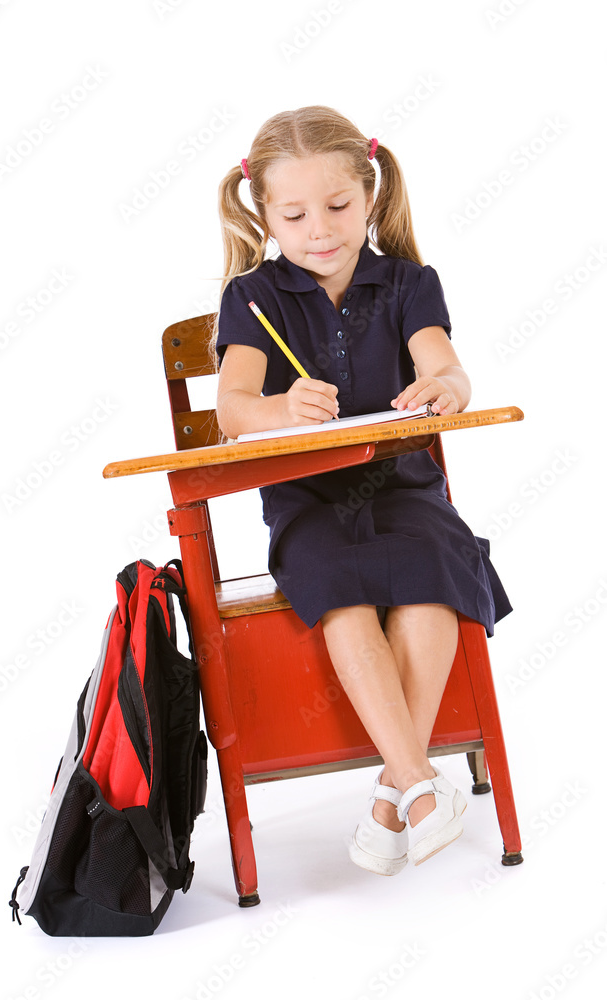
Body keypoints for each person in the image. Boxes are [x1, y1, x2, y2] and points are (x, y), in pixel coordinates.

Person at [212, 105, 512, 875]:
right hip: (305, 501)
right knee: (339, 589)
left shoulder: (409, 282)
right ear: (264, 216)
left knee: (431, 574)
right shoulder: (252, 296)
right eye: (295, 213)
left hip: (404, 488)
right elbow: (233, 408)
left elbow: (443, 363)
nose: (320, 228)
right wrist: (279, 408)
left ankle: (394, 794)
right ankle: (416, 780)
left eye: (338, 207)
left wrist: (443, 386)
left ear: (369, 198)